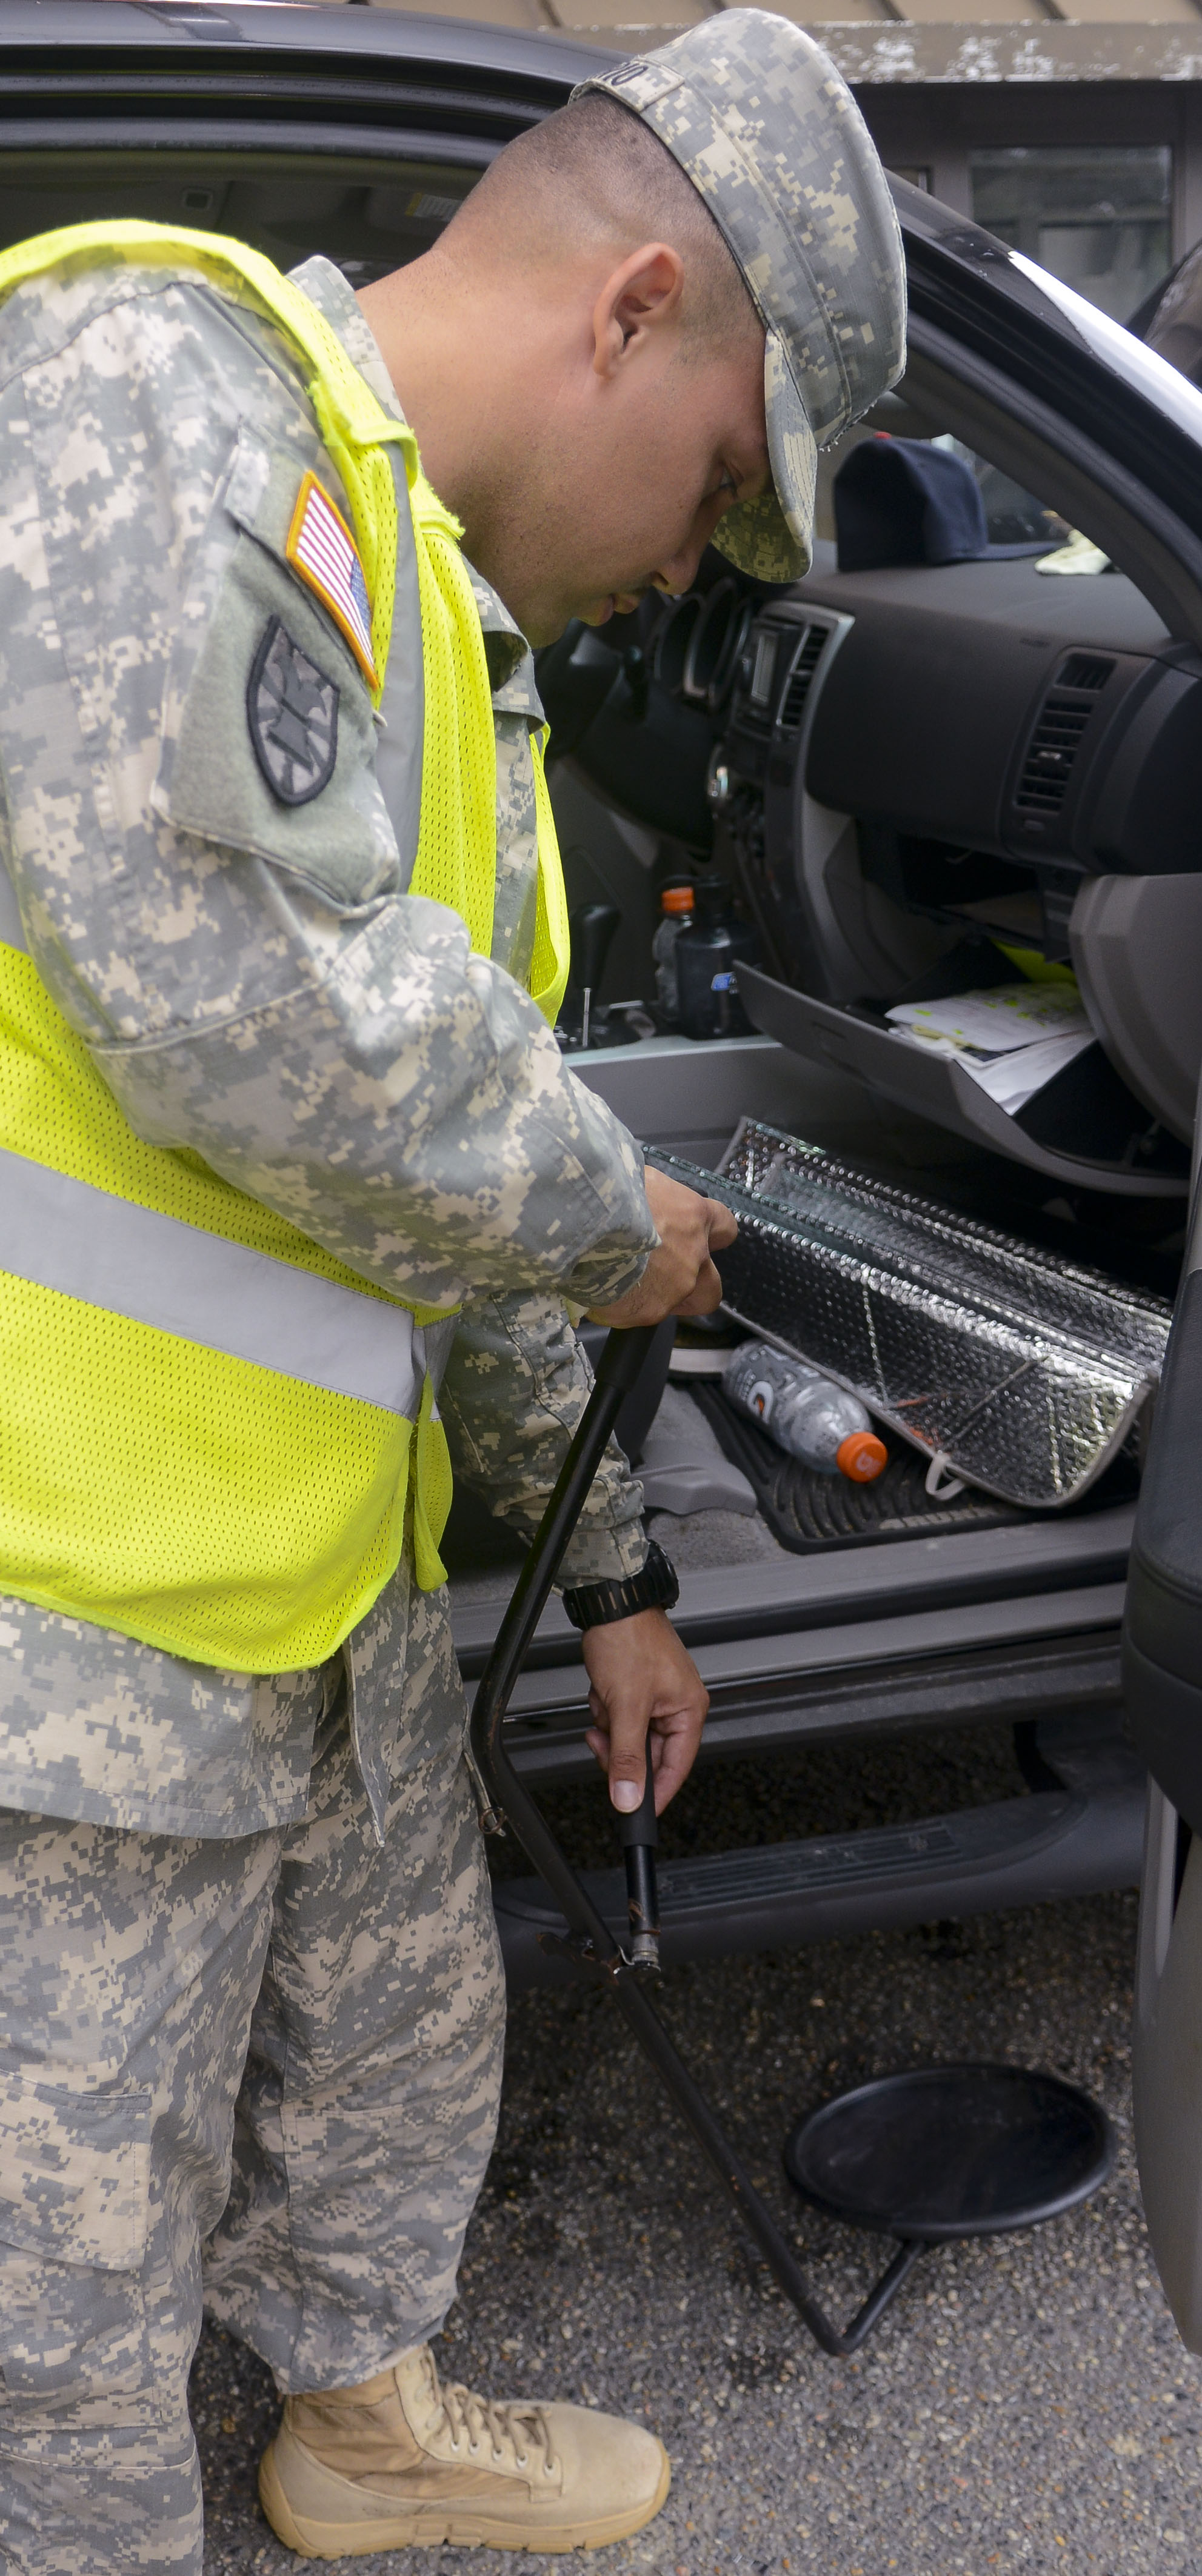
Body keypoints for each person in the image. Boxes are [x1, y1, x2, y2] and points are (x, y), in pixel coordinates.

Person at [0, 11, 904, 2568]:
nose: (683, 570)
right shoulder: (148, 391)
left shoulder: (433, 627)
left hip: (310, 1582)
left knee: (394, 2052)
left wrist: (606, 1570)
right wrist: (621, 1214)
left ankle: (361, 2417)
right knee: (52, 2329)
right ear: (630, 307)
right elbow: (239, 1011)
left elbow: (411, 1202)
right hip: (65, 1616)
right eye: (720, 485)